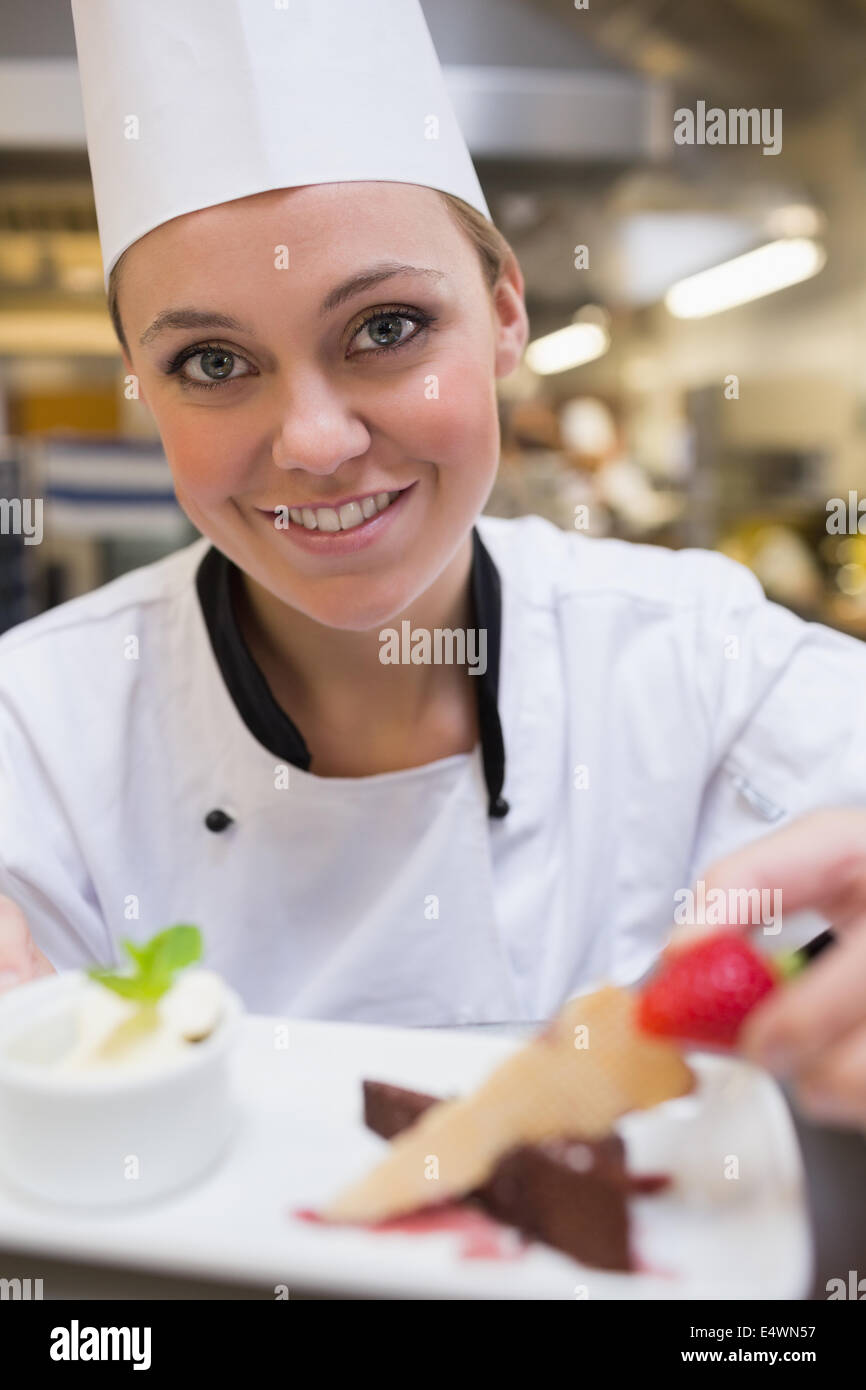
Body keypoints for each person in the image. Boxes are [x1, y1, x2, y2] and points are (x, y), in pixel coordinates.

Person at [2, 0, 866, 1079]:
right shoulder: (35, 731)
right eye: (213, 363)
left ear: (506, 312)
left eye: (383, 329)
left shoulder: (694, 655)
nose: (314, 444)